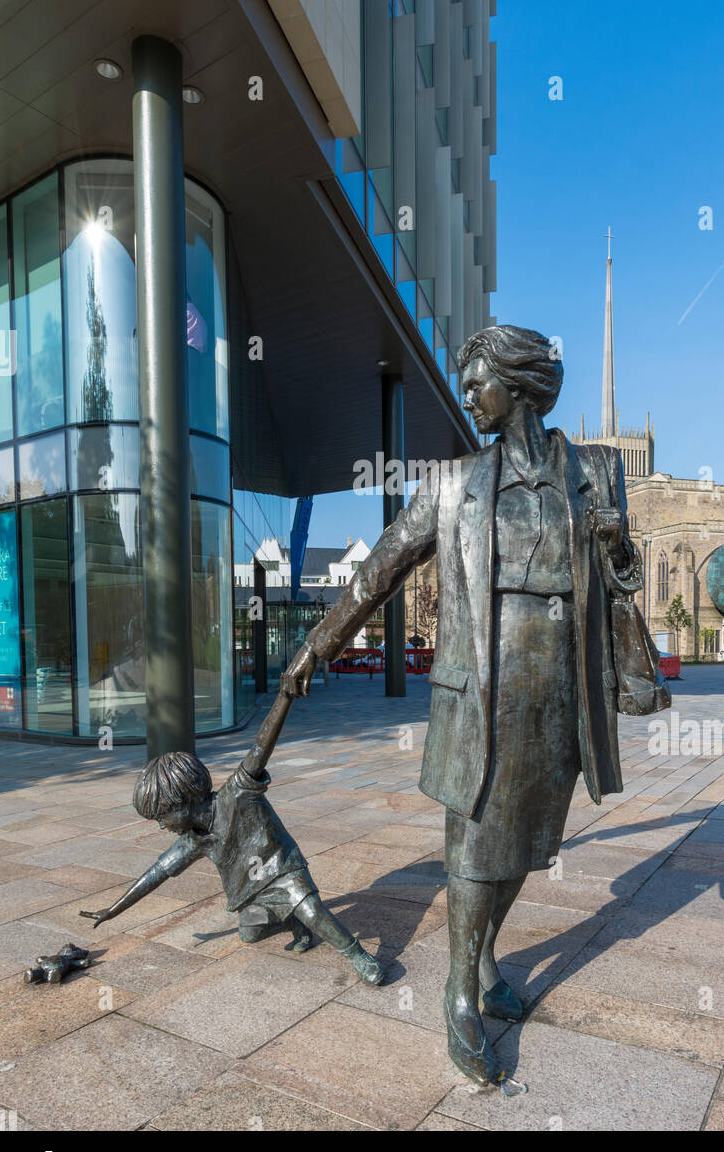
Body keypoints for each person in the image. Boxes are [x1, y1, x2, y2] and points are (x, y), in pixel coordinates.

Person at [283, 325, 666, 1083]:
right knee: (473, 842)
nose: (467, 397)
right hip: (481, 689)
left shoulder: (594, 470)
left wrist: (618, 548)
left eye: (477, 383)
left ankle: (485, 956)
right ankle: (461, 989)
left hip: (560, 682)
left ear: (519, 388)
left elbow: (619, 576)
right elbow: (380, 570)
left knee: (530, 841)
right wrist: (316, 646)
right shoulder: (454, 484)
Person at [80, 714, 384, 986]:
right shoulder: (193, 839)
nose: (161, 826)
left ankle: (358, 957)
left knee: (312, 910)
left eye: (161, 817)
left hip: (281, 868)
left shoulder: (238, 793)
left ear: (181, 802)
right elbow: (156, 874)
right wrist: (113, 910)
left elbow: (261, 746)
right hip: (252, 891)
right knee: (249, 933)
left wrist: (287, 695)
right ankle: (295, 922)